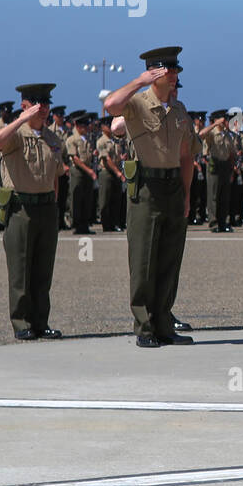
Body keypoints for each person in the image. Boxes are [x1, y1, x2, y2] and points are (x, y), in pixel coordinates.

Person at [104, 46, 196, 348]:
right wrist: (139, 80)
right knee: (144, 259)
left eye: (175, 71)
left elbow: (186, 156)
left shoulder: (179, 110)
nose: (174, 76)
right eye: (169, 71)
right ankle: (144, 327)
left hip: (172, 187)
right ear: (154, 73)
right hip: (146, 188)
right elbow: (111, 104)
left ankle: (164, 323)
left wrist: (185, 194)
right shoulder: (137, 103)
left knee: (170, 259)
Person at [0, 83, 64, 340]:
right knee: (20, 269)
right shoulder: (16, 134)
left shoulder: (53, 139)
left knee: (43, 270)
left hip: (46, 208)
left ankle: (41, 322)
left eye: (45, 103)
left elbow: (57, 175)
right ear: (25, 106)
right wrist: (20, 120)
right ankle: (21, 323)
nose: (43, 108)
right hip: (20, 208)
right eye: (36, 104)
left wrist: (54, 204)